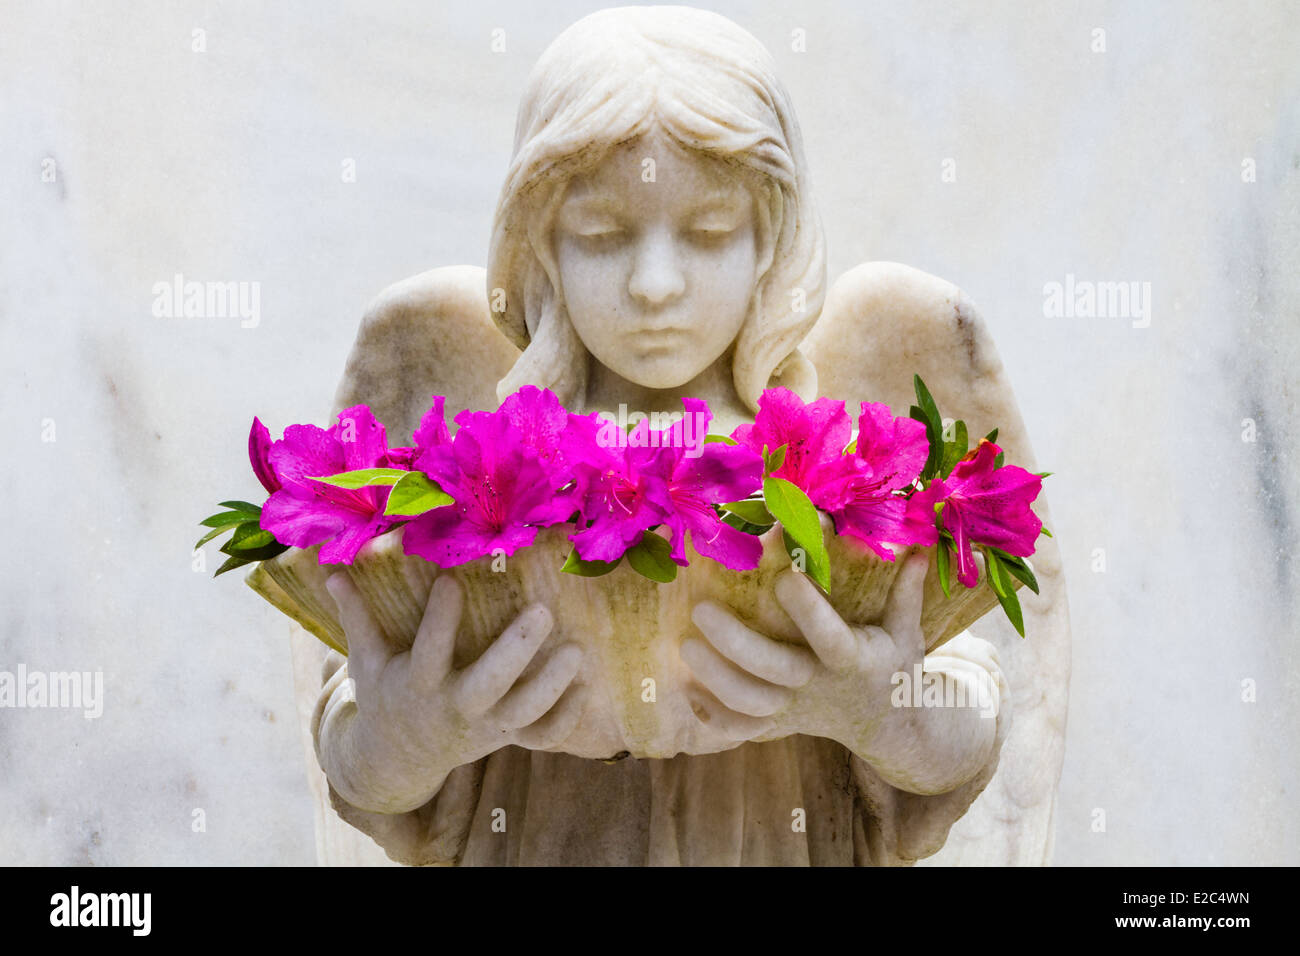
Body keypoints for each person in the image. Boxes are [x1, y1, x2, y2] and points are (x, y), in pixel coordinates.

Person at [311, 6, 1012, 866]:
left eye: (711, 232)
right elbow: (355, 754)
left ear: (772, 243)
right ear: (539, 246)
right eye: (601, 235)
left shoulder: (839, 450)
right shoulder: (473, 448)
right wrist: (408, 742)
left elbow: (976, 721)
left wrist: (884, 712)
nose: (654, 284)